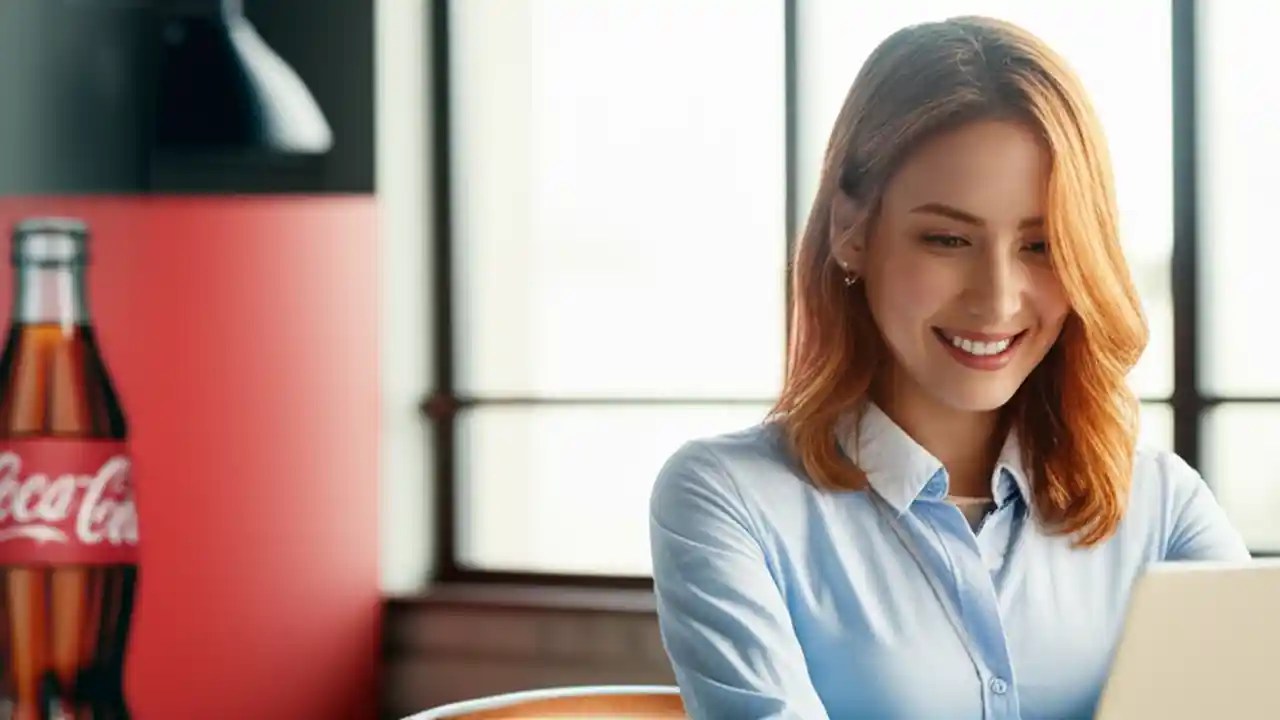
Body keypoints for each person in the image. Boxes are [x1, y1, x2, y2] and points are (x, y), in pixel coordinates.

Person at [648, 15, 1249, 720]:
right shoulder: (733, 501)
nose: (996, 299)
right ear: (852, 232)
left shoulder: (1161, 507)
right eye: (947, 238)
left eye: (1041, 246)